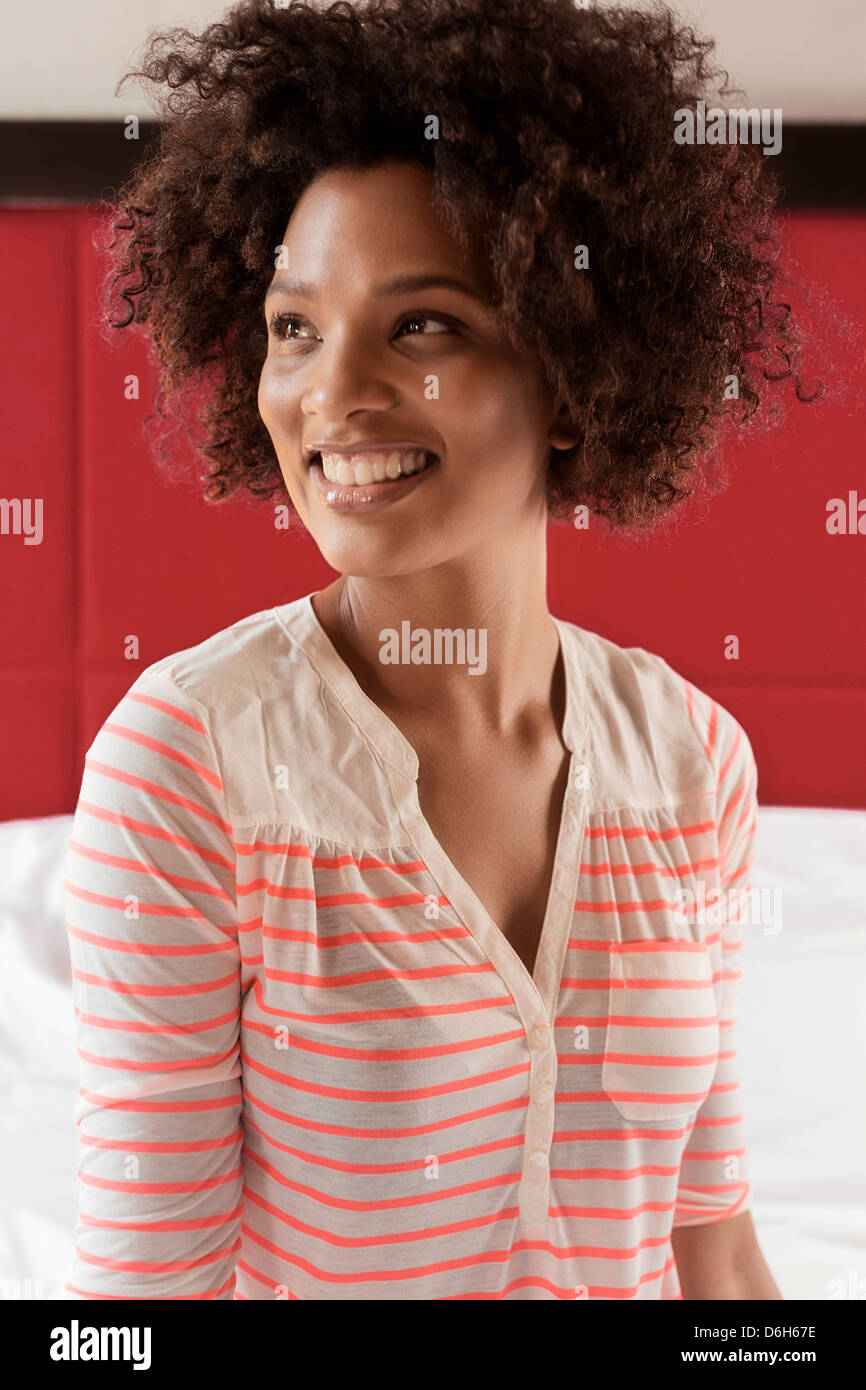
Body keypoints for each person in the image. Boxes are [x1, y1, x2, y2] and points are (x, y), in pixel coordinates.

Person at [63, 0, 808, 1299]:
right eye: (293, 326)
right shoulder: (186, 766)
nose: (328, 391)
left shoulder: (695, 762)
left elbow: (715, 1247)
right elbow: (135, 1316)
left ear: (574, 376)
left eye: (422, 326)